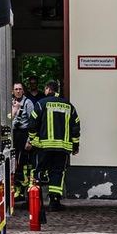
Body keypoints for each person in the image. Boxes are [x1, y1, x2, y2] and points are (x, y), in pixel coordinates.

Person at [31, 80, 80, 209]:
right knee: (58, 172)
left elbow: (33, 123)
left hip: (44, 147)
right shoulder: (69, 106)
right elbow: (75, 127)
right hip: (62, 148)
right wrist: (75, 146)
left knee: (39, 171)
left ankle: (35, 201)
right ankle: (54, 201)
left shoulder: (41, 104)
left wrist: (32, 140)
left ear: (47, 89)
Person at [10, 82, 39, 200]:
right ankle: (16, 188)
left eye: (20, 89)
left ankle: (23, 190)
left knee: (23, 161)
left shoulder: (28, 103)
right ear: (12, 91)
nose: (18, 91)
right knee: (14, 161)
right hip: (13, 134)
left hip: (24, 133)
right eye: (16, 89)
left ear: (23, 91)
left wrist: (29, 140)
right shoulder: (10, 102)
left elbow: (32, 121)